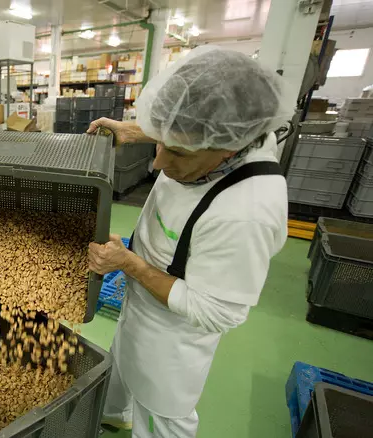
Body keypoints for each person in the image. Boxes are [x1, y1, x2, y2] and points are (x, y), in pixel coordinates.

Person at [86, 46, 293, 437]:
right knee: (122, 359)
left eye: (176, 151)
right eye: (161, 141)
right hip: (141, 300)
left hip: (172, 334)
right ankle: (113, 414)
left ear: (228, 147)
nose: (159, 164)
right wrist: (137, 129)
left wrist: (129, 263)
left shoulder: (245, 212)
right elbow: (187, 126)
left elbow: (218, 312)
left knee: (162, 412)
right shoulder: (217, 137)